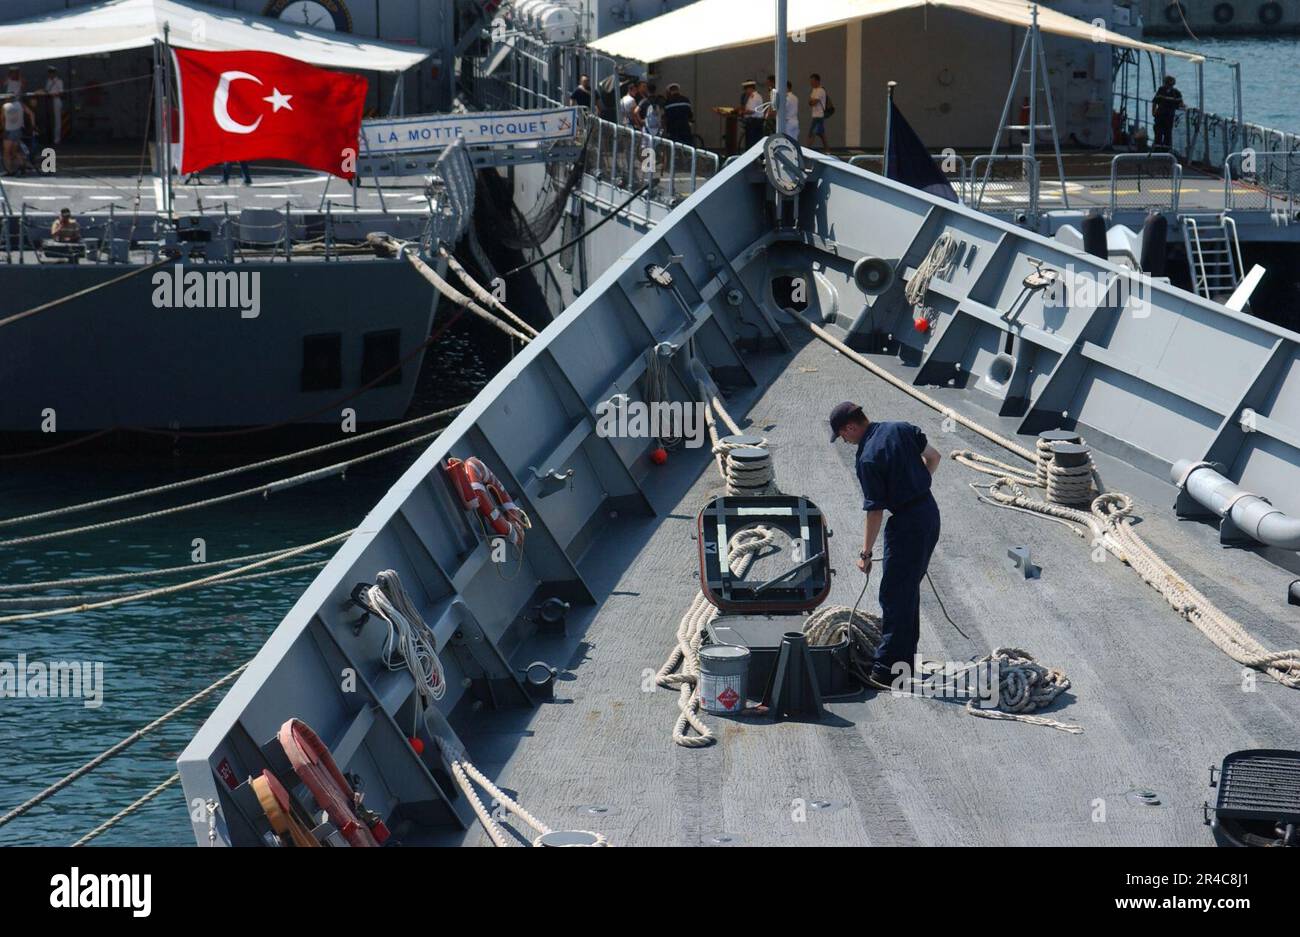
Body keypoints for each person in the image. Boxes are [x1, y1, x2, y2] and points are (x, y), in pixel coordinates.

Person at [829, 401, 942, 691]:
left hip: (907, 526)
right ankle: (905, 662)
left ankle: (887, 671)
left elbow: (875, 511)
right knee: (907, 591)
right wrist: (918, 485)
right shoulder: (902, 428)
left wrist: (865, 554)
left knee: (893, 595)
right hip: (929, 513)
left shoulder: (868, 458)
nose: (845, 441)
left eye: (843, 435)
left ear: (851, 427)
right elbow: (934, 457)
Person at [2, 93, 36, 175]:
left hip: (9, 131)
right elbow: (31, 114)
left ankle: (9, 171)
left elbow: (2, 120)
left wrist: (3, 129)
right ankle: (22, 165)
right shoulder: (20, 105)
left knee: (6, 153)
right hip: (18, 131)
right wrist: (33, 126)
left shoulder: (4, 106)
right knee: (15, 151)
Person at [1152, 75, 1183, 151]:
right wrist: (1153, 111)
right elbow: (1155, 101)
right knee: (1158, 133)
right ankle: (1157, 149)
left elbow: (1180, 104)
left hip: (1169, 116)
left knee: (1167, 134)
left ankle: (1165, 150)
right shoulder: (1161, 90)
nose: (1168, 85)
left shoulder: (1176, 93)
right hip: (1160, 115)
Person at [740, 79, 764, 149]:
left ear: (750, 88)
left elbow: (752, 111)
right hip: (753, 122)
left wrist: (741, 112)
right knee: (751, 142)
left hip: (754, 122)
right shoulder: (751, 96)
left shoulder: (755, 97)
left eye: (746, 89)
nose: (745, 91)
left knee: (752, 142)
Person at [808, 73, 828, 151]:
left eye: (812, 81)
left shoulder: (821, 90)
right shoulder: (814, 90)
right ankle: (828, 150)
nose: (811, 83)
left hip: (819, 116)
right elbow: (810, 102)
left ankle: (807, 150)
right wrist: (812, 101)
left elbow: (813, 102)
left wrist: (812, 101)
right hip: (815, 115)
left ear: (817, 81)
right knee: (821, 135)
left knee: (811, 134)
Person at [44, 66, 63, 145]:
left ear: (55, 73)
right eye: (49, 72)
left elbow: (61, 92)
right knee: (49, 120)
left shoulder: (59, 81)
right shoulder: (48, 81)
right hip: (49, 101)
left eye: (52, 72)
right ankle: (49, 137)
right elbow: (46, 91)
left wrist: (52, 95)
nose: (50, 74)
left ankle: (57, 139)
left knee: (57, 120)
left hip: (56, 101)